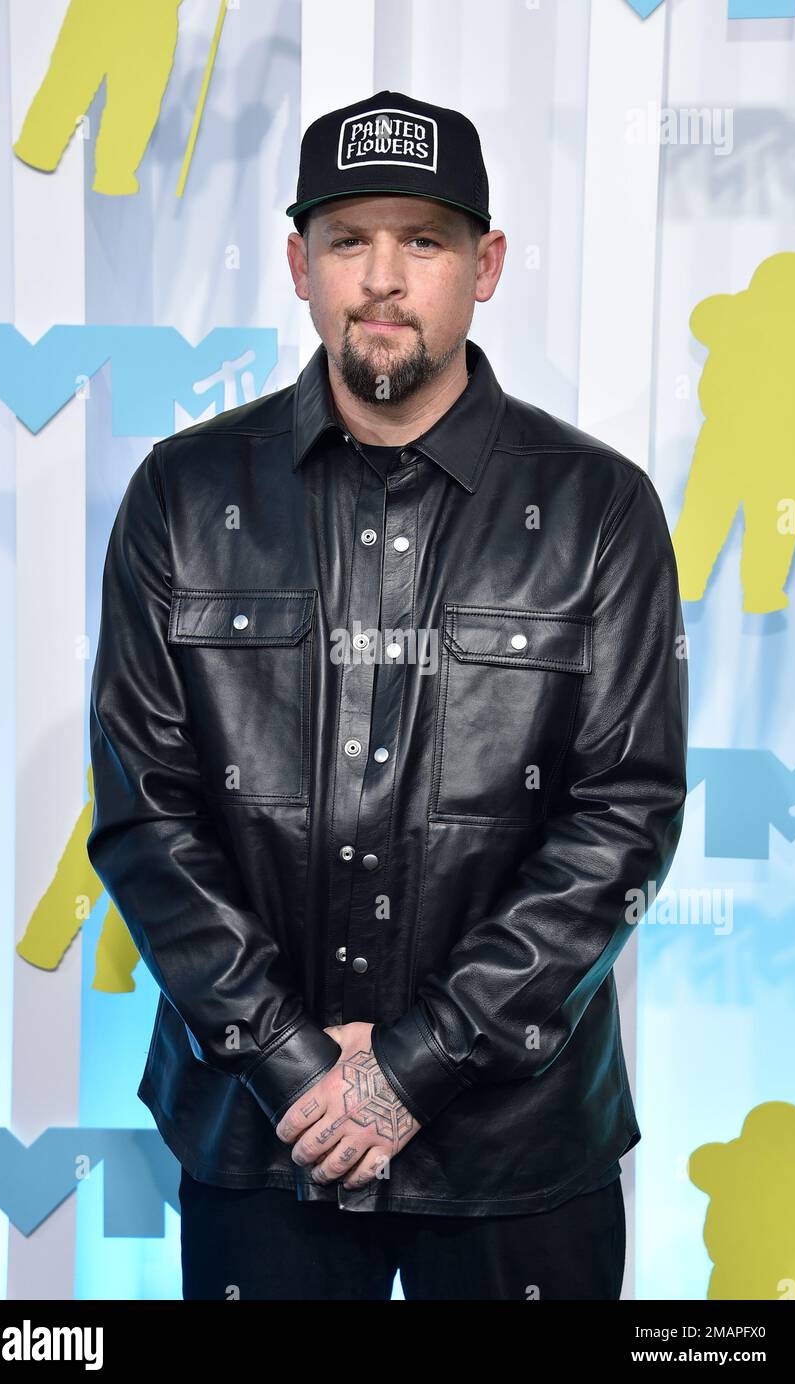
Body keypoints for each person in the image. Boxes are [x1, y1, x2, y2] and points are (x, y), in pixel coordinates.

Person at [87, 89, 689, 1300]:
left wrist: (409, 1068)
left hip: (519, 1145)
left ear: (487, 265)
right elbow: (147, 816)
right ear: (300, 264)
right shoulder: (182, 495)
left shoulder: (599, 509)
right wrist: (298, 1065)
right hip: (266, 1137)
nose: (383, 277)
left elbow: (623, 815)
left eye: (424, 240)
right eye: (351, 239)